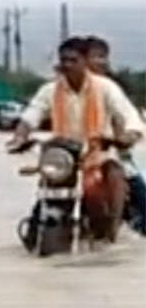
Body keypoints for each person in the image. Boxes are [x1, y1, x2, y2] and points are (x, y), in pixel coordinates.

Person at [9, 36, 143, 238]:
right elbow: (31, 115)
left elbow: (127, 115)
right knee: (38, 216)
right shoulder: (50, 90)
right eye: (63, 60)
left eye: (73, 60)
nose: (67, 65)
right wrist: (20, 137)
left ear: (84, 62)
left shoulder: (106, 87)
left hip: (103, 154)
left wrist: (127, 135)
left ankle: (112, 230)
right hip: (65, 158)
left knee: (125, 181)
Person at [85, 35, 146, 235]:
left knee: (139, 193)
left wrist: (127, 136)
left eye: (104, 57)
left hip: (111, 151)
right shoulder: (61, 89)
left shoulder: (114, 88)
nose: (100, 62)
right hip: (75, 155)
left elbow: (129, 118)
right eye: (95, 56)